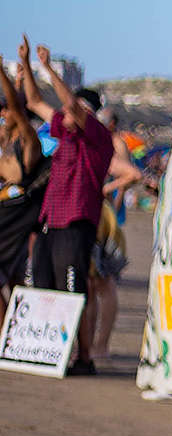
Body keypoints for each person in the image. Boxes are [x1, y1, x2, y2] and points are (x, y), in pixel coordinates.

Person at [26, 46, 115, 374]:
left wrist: (49, 69)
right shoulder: (64, 134)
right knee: (44, 286)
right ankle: (48, 350)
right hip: (51, 220)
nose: (64, 116)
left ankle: (85, 357)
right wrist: (23, 65)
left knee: (73, 290)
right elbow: (34, 103)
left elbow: (71, 108)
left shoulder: (98, 137)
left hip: (76, 222)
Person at [0, 45, 47, 303]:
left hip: (19, 214)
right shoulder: (7, 140)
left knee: (12, 279)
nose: (3, 114)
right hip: (11, 213)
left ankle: (6, 337)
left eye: (6, 111)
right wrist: (18, 80)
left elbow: (18, 108)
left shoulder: (28, 139)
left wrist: (3, 72)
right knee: (15, 279)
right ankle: (13, 336)